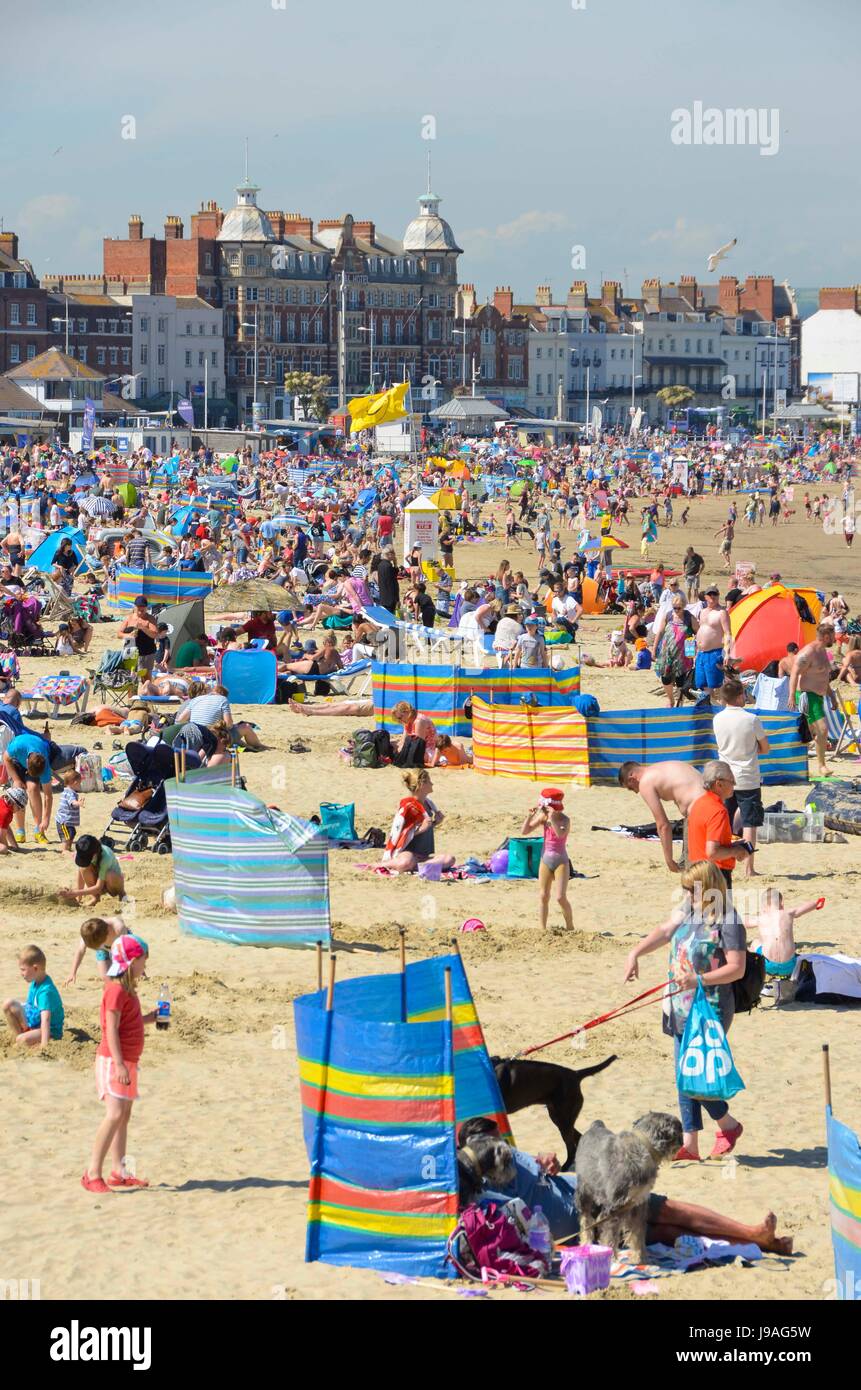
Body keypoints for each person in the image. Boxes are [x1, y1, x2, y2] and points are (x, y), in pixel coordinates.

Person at [457, 1116, 792, 1254]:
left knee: (661, 1213)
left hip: (583, 1191)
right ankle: (755, 1239)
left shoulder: (506, 1156)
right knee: (660, 1224)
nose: (503, 1147)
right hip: (582, 1226)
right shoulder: (483, 1193)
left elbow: (542, 1164)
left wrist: (549, 1159)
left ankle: (753, 1236)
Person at [623, 860, 746, 1162]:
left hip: (710, 1007)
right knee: (683, 1074)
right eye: (686, 889)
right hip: (679, 1004)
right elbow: (666, 931)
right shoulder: (690, 908)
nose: (687, 894)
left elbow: (737, 968)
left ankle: (727, 1125)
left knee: (693, 1073)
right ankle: (690, 1143)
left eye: (692, 889)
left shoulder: (728, 919)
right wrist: (635, 952)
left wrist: (698, 979)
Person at [82, 938, 157, 1194]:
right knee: (114, 1115)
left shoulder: (128, 989)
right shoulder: (114, 990)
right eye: (143, 960)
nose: (145, 965)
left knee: (124, 1116)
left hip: (129, 1061)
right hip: (114, 1061)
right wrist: (119, 1064)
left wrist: (149, 1018)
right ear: (133, 961)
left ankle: (119, 1171)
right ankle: (92, 1173)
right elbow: (109, 1029)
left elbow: (128, 1023)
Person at [712, 679, 769, 877]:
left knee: (724, 822)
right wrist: (751, 750)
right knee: (749, 823)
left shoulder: (717, 719)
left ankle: (722, 862)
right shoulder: (751, 719)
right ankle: (749, 868)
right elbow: (765, 748)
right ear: (739, 696)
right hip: (747, 776)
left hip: (725, 775)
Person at [618, 760, 705, 873]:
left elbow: (663, 825)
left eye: (631, 788)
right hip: (714, 805)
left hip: (699, 813)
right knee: (714, 865)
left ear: (632, 778)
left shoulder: (645, 782)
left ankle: (698, 890)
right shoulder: (660, 768)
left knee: (692, 871)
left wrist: (669, 860)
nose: (635, 792)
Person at [686, 760, 752, 891]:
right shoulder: (718, 810)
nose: (734, 785)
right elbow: (712, 852)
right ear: (719, 784)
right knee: (722, 911)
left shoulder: (698, 804)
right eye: (732, 781)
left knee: (699, 911)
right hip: (715, 875)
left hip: (696, 871)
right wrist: (736, 851)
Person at [519, 788, 574, 931]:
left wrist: (552, 818)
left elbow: (560, 834)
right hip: (545, 860)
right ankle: (542, 929)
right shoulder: (543, 818)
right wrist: (529, 816)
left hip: (561, 861)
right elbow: (524, 831)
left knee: (560, 898)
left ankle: (570, 927)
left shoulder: (565, 820)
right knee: (543, 895)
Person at [381, 769, 455, 873]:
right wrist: (421, 829)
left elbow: (424, 829)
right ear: (421, 784)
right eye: (429, 781)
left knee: (449, 859)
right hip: (407, 853)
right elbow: (398, 835)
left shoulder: (428, 804)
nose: (432, 783)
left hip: (423, 856)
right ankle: (380, 865)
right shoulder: (408, 806)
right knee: (406, 861)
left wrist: (435, 823)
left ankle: (419, 867)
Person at [789, 622, 836, 780]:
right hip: (807, 695)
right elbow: (795, 673)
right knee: (821, 730)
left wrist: (832, 696)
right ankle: (821, 766)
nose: (835, 638)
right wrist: (791, 695)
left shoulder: (822, 651)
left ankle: (812, 765)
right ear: (827, 636)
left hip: (818, 697)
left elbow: (823, 677)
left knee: (810, 733)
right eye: (834, 635)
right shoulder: (808, 652)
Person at [746, 888, 822, 978]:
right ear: (782, 903)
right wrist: (816, 904)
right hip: (790, 966)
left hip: (767, 966)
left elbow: (745, 923)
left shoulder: (760, 918)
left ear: (764, 907)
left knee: (755, 943)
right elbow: (808, 906)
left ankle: (754, 969)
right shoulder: (789, 913)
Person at [3, 944, 65, 1048]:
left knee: (21, 1040)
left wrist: (44, 1045)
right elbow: (30, 1005)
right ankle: (23, 1035)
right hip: (35, 1022)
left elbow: (46, 1020)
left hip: (50, 1030)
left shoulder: (46, 992)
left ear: (35, 968)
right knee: (8, 1004)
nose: (21, 973)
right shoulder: (36, 981)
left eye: (23, 969)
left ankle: (24, 1040)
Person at [67, 914, 149, 985]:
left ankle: (141, 971)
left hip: (125, 946)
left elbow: (125, 952)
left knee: (130, 975)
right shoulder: (88, 932)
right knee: (106, 978)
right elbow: (81, 951)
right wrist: (72, 972)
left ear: (107, 933)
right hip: (104, 949)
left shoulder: (118, 927)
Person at [3, 732, 53, 845]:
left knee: (34, 788)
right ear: (26, 762)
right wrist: (16, 779)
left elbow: (48, 795)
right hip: (15, 760)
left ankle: (38, 830)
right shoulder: (17, 747)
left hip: (35, 759)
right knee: (18, 791)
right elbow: (6, 758)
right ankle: (20, 830)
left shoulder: (44, 766)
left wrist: (46, 819)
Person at [651, 593, 697, 705]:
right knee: (665, 677)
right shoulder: (668, 615)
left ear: (684, 606)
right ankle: (670, 699)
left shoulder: (689, 617)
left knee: (681, 679)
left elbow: (697, 633)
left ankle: (679, 701)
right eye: (674, 607)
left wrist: (693, 652)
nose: (676, 610)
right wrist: (654, 648)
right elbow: (660, 632)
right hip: (667, 652)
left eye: (679, 607)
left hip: (683, 654)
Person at [58, 833, 126, 906]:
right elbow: (81, 871)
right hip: (99, 881)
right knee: (84, 868)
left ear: (94, 855)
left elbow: (98, 887)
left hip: (112, 886)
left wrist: (76, 892)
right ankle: (95, 898)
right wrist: (78, 895)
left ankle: (122, 894)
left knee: (109, 874)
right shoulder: (83, 850)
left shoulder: (106, 856)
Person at [694, 587, 731, 702]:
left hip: (714, 653)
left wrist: (727, 653)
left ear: (718, 596)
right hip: (701, 653)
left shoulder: (722, 612)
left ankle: (721, 709)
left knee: (716, 685)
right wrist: (695, 652)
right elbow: (700, 631)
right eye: (710, 594)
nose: (712, 597)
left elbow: (728, 633)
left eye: (715, 594)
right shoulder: (702, 612)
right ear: (705, 597)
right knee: (703, 684)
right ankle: (707, 710)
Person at [118, 596, 159, 674]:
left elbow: (155, 635)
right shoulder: (129, 618)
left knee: (145, 677)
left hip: (146, 653)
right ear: (135, 607)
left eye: (142, 610)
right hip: (130, 651)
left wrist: (143, 627)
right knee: (129, 675)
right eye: (138, 610)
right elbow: (119, 634)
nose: (140, 612)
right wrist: (129, 635)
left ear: (146, 608)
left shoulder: (150, 619)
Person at [390, 700, 437, 766]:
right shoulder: (408, 721)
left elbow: (418, 745)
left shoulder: (419, 721)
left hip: (427, 750)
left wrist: (400, 750)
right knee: (391, 744)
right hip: (417, 748)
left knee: (407, 753)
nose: (400, 720)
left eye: (400, 717)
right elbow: (403, 740)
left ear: (406, 712)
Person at [55, 769, 83, 853]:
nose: (80, 785)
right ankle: (64, 850)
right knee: (66, 836)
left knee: (72, 832)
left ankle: (68, 848)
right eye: (79, 783)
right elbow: (72, 802)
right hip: (63, 821)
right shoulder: (69, 793)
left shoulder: (68, 791)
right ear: (75, 782)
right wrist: (78, 803)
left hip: (67, 821)